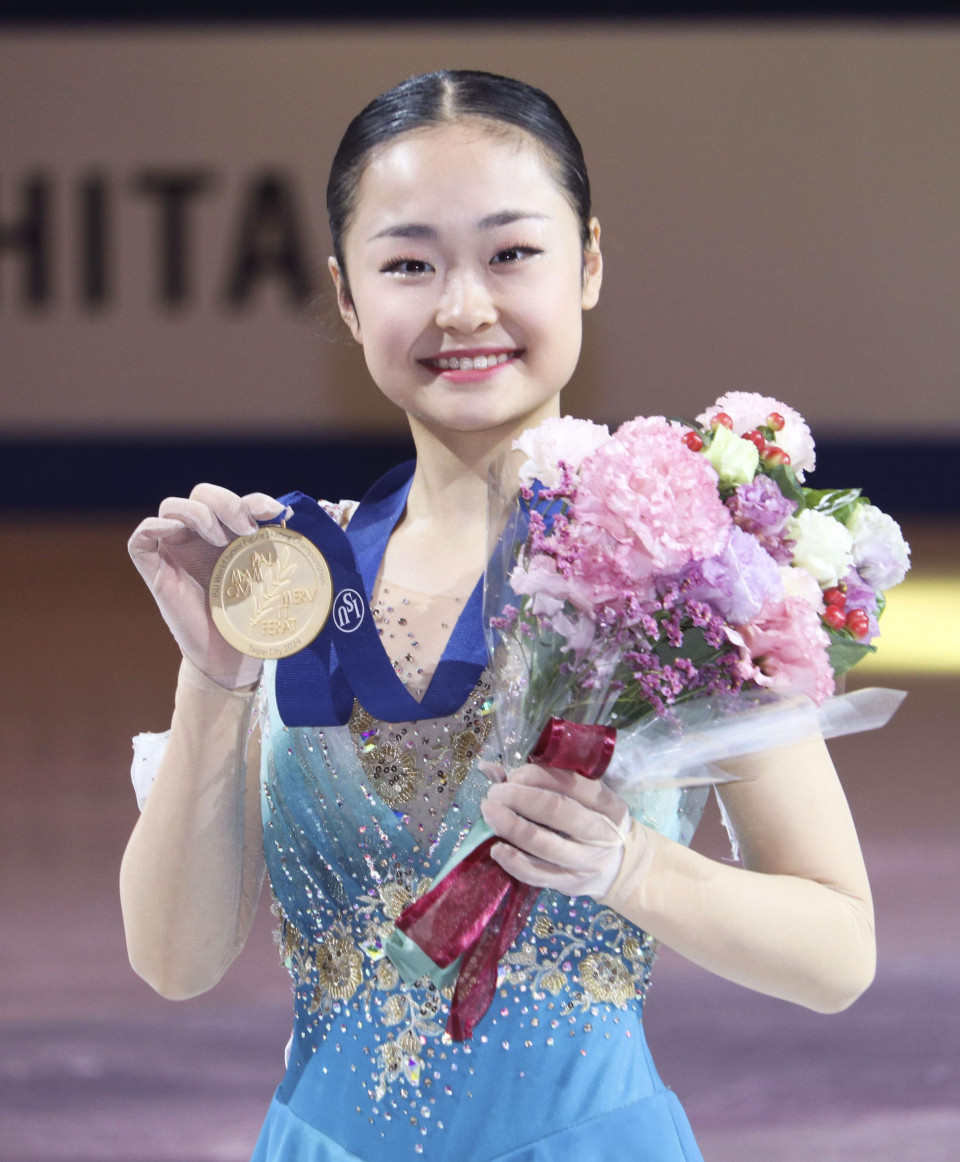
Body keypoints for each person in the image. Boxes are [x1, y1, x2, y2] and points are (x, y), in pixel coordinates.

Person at [121, 70, 876, 1161]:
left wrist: (630, 868)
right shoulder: (291, 578)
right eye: (409, 264)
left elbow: (839, 949)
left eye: (511, 252)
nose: (463, 307)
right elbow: (174, 961)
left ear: (592, 263)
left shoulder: (680, 577)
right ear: (345, 295)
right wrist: (213, 674)